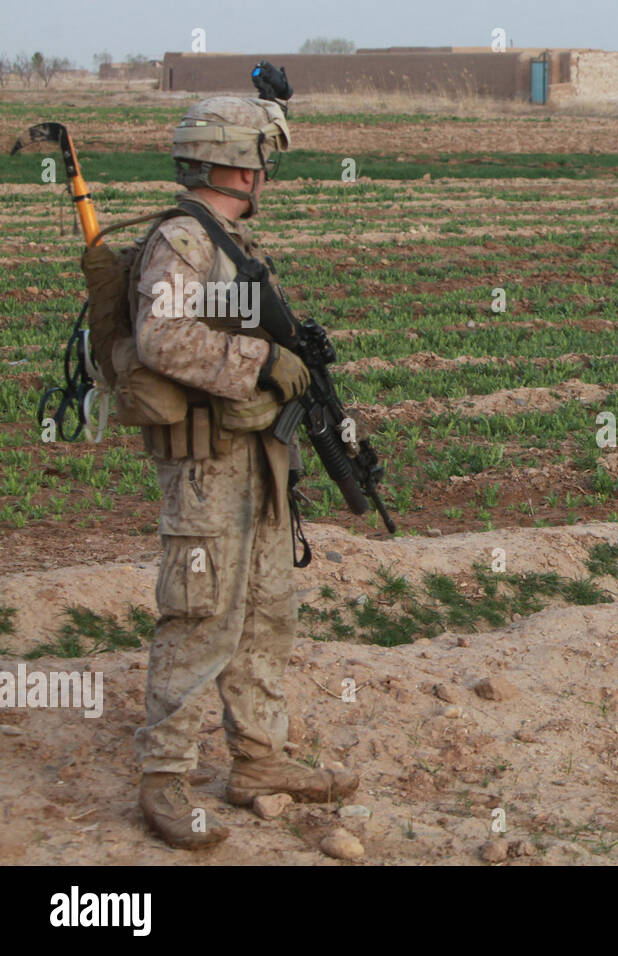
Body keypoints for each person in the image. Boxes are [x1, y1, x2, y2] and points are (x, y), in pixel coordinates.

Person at [132, 97, 358, 849]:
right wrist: (259, 360)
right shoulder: (183, 240)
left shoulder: (229, 241)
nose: (267, 170)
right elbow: (160, 337)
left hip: (253, 459)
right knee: (201, 617)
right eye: (262, 156)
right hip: (205, 464)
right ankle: (164, 780)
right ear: (236, 161)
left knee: (265, 610)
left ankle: (257, 761)